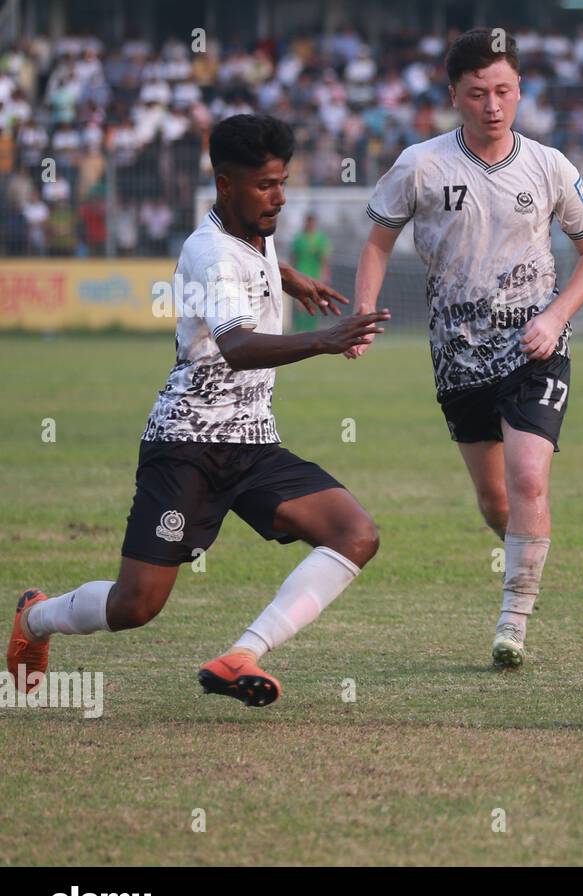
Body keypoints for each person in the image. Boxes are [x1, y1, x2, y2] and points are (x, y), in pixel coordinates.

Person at [8, 114, 389, 707]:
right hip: (187, 444)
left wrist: (287, 277)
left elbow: (248, 264)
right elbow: (237, 347)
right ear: (225, 184)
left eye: (282, 182)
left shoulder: (251, 232)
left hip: (253, 444)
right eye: (265, 185)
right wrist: (324, 339)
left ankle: (242, 655)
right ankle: (35, 618)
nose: (279, 197)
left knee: (354, 533)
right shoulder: (208, 251)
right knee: (135, 605)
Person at [349, 29, 583, 669]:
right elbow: (378, 240)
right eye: (477, 93)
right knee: (497, 502)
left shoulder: (550, 166)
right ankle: (527, 554)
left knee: (528, 478)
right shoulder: (421, 164)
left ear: (519, 90)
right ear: (453, 96)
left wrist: (556, 315)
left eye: (503, 91)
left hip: (535, 348)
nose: (492, 106)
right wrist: (363, 311)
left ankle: (512, 623)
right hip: (458, 356)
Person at [290, 213, 332, 332]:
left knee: (315, 303)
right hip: (300, 276)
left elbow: (324, 260)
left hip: (315, 277)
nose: (310, 224)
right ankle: (299, 331)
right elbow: (293, 258)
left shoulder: (321, 239)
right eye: (308, 222)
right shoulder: (298, 239)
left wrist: (325, 276)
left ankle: (311, 331)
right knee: (301, 304)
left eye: (312, 222)